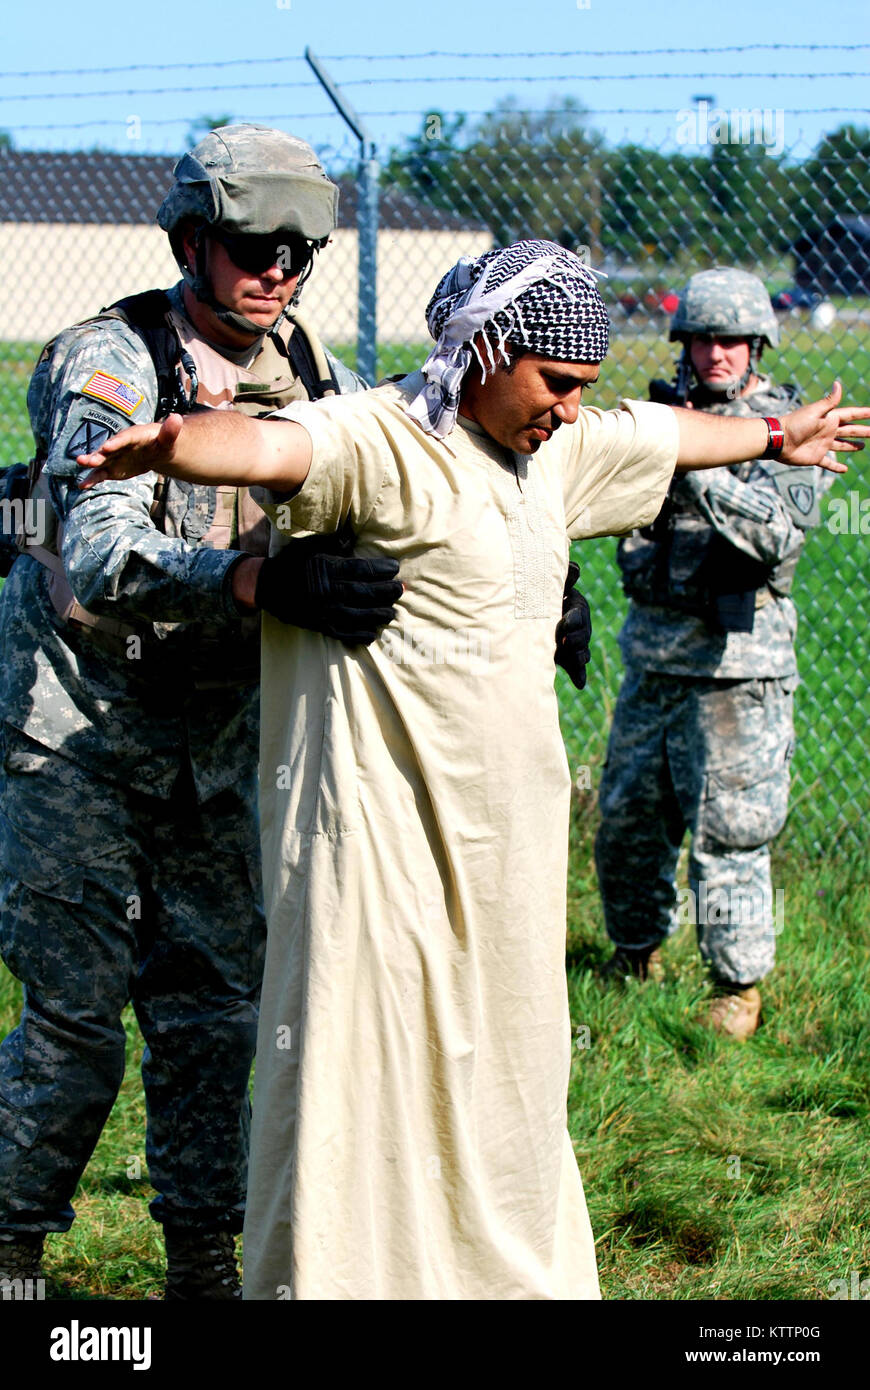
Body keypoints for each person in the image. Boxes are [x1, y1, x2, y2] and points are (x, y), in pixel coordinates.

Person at [77, 240, 860, 1300]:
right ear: (487, 348)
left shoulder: (557, 453)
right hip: (380, 850)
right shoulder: (386, 439)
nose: (573, 409)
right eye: (557, 383)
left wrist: (777, 430)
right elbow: (270, 447)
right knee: (363, 1073)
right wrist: (175, 445)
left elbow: (662, 429)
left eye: (583, 388)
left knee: (510, 1075)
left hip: (511, 849)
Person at [0, 123, 405, 1300]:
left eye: (298, 248)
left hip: (219, 758)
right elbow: (102, 544)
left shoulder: (313, 373)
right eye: (250, 244)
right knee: (75, 1031)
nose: (277, 268)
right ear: (191, 241)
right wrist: (252, 581)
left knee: (215, 1022)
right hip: (76, 741)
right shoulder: (109, 362)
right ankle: (15, 1255)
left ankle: (205, 1268)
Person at [595, 267, 833, 1040]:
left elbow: (773, 535)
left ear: (756, 343)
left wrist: (688, 461)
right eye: (702, 339)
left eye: (731, 339)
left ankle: (737, 985)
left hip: (739, 670)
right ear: (683, 344)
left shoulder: (792, 428)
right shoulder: (662, 417)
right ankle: (636, 955)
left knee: (730, 834)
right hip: (653, 659)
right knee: (629, 820)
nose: (716, 354)